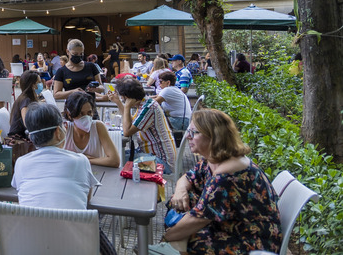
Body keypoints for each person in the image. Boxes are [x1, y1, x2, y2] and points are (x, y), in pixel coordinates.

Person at [164, 109, 281, 254]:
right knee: (177, 203)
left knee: (190, 237)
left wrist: (165, 238)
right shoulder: (213, 160)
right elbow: (187, 177)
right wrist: (180, 192)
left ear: (213, 137)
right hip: (229, 225)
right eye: (189, 131)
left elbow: (199, 219)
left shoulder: (227, 175)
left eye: (195, 133)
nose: (188, 136)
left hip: (252, 241)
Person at [11, 102, 99, 210]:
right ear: (58, 131)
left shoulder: (21, 163)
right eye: (63, 125)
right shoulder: (80, 161)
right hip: (72, 225)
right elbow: (86, 198)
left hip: (29, 225)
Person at [108, 77, 176, 173]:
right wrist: (118, 103)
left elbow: (127, 131)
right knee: (115, 155)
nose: (121, 99)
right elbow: (132, 122)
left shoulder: (149, 107)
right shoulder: (145, 103)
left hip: (161, 162)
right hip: (149, 154)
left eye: (121, 97)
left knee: (116, 161)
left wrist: (127, 106)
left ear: (127, 97)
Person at [62, 91, 120, 168]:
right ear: (69, 115)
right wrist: (97, 160)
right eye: (81, 114)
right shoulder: (64, 129)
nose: (86, 117)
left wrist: (84, 160)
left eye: (89, 113)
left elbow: (115, 161)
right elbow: (57, 159)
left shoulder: (98, 127)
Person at [7, 71, 44, 141]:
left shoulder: (27, 97)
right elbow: (27, 122)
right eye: (38, 82)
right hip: (19, 138)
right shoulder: (26, 100)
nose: (40, 84)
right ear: (32, 85)